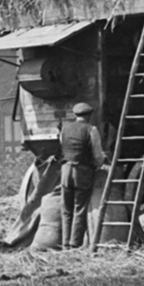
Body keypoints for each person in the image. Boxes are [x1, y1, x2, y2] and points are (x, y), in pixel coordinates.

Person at [59, 101, 107, 249]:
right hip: (82, 171)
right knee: (80, 207)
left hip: (65, 169)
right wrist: (100, 163)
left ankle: (65, 242)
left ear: (75, 115)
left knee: (66, 208)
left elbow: (62, 147)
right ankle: (75, 243)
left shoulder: (65, 129)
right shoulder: (91, 129)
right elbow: (97, 154)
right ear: (89, 115)